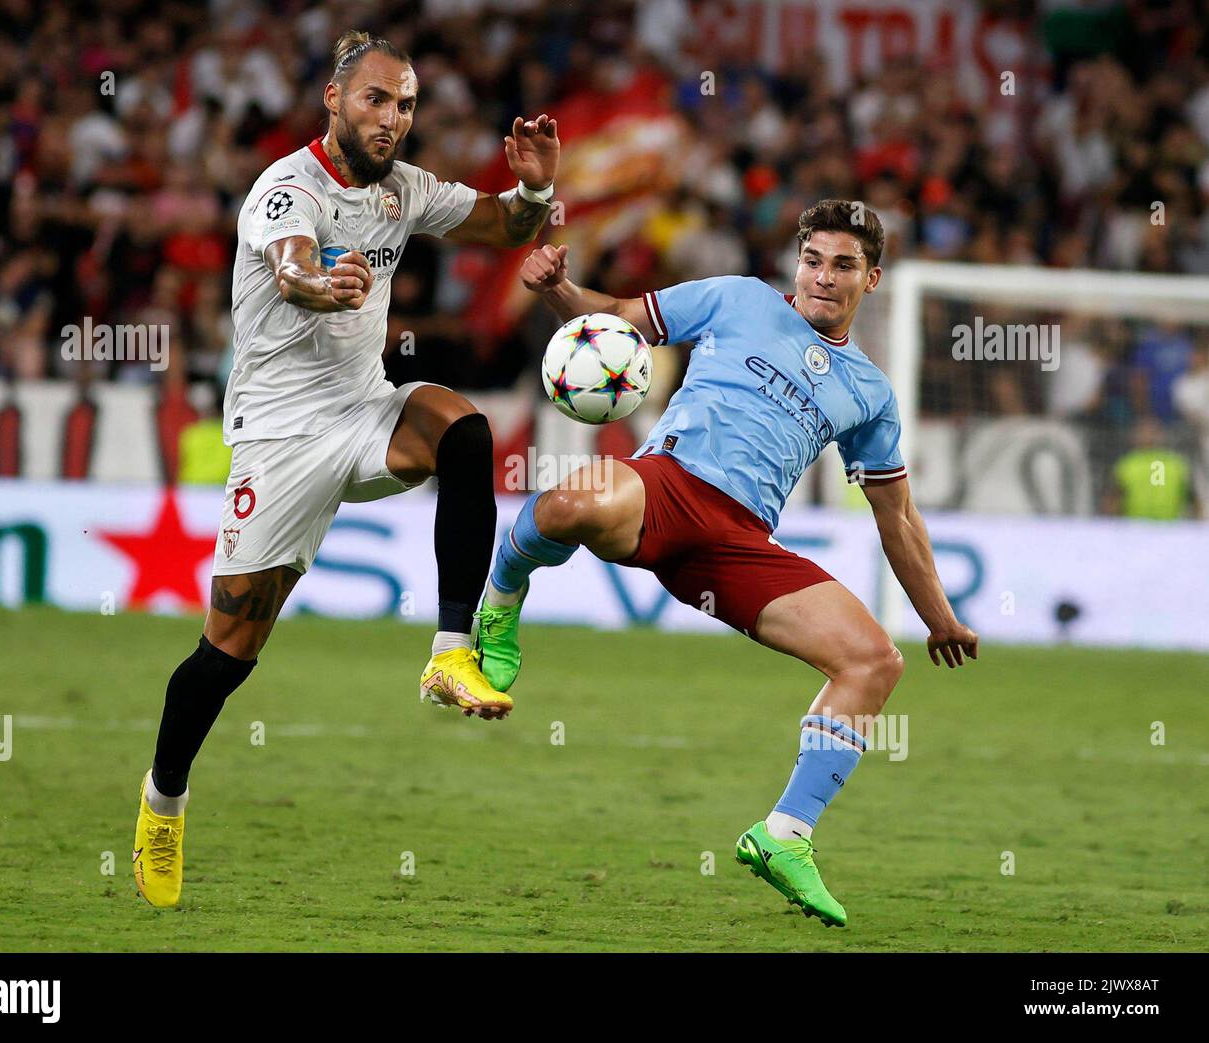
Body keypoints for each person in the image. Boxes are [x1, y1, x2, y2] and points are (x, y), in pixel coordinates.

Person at [133, 30, 561, 908]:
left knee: (464, 429)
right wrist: (324, 284)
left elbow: (503, 225)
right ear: (334, 101)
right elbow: (291, 268)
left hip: (365, 410)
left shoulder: (406, 189)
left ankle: (450, 652)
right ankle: (163, 800)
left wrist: (537, 185)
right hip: (280, 437)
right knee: (230, 650)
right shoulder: (285, 188)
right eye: (376, 99)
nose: (392, 118)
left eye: (405, 104)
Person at [475, 200, 978, 927]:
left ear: (872, 279)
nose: (823, 277)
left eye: (843, 266)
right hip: (665, 489)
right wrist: (557, 289)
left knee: (873, 661)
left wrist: (941, 619)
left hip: (739, 544)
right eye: (813, 259)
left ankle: (785, 836)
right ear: (796, 262)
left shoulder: (869, 392)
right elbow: (618, 316)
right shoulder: (737, 297)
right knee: (570, 502)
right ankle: (499, 602)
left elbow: (895, 514)